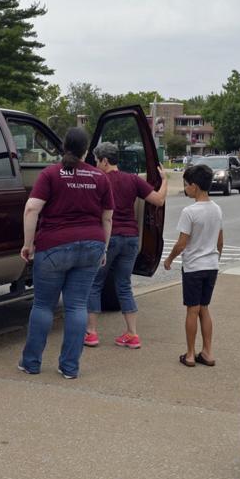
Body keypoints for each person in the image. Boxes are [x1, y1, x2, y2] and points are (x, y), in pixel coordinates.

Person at [18, 128, 113, 380]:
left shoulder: (50, 174)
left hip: (53, 246)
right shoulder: (100, 177)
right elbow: (107, 217)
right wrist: (103, 248)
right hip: (91, 245)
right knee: (77, 307)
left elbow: (31, 209)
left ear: (63, 147)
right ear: (86, 150)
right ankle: (69, 367)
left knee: (42, 306)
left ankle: (31, 363)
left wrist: (28, 244)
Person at [84, 143, 168, 349]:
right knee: (124, 285)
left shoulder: (98, 180)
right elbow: (158, 200)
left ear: (104, 161)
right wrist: (164, 180)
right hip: (131, 238)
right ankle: (132, 334)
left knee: (95, 283)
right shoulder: (132, 180)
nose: (95, 165)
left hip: (108, 237)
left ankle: (91, 333)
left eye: (96, 161)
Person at [163, 163, 224, 368]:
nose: (185, 188)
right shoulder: (217, 209)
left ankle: (190, 354)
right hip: (211, 265)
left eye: (186, 184)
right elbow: (220, 240)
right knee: (204, 308)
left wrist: (170, 259)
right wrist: (216, 257)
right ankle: (207, 352)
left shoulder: (189, 211)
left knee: (192, 310)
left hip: (194, 267)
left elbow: (182, 243)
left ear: (195, 186)